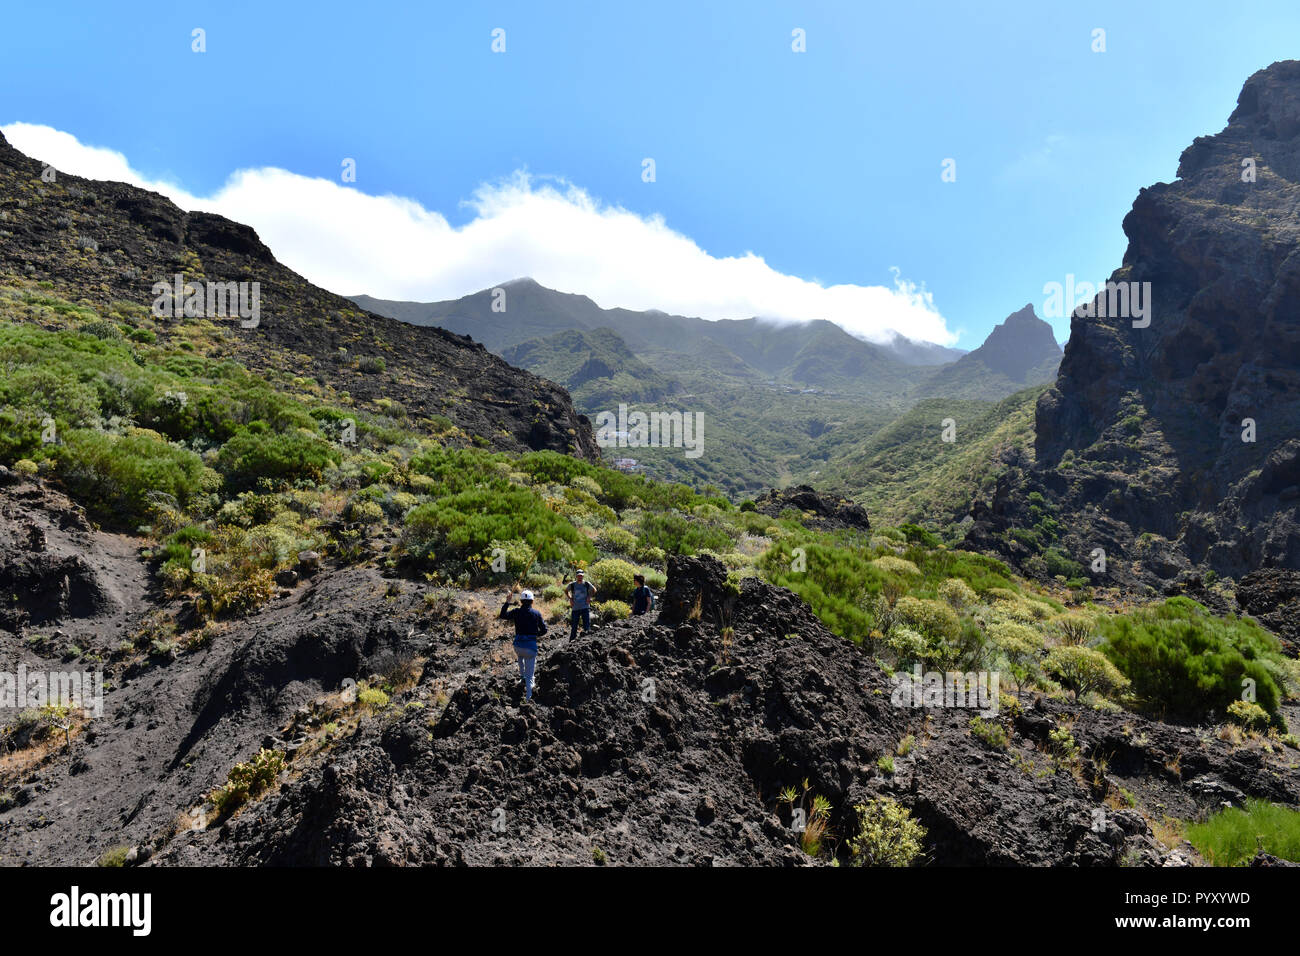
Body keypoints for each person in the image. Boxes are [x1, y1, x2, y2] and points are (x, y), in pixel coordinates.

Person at [499, 588, 547, 701]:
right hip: (530, 647)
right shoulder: (536, 613)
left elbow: (503, 615)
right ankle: (528, 698)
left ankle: (522, 678)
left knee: (521, 657)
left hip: (518, 646)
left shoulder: (516, 612)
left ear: (521, 601)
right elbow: (544, 630)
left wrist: (507, 602)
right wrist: (536, 635)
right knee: (531, 675)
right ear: (532, 601)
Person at [564, 569, 597, 639]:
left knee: (586, 626)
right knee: (574, 627)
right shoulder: (572, 585)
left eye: (581, 576)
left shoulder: (586, 584)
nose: (580, 577)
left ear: (583, 576)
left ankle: (587, 641)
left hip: (585, 607)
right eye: (578, 576)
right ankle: (571, 642)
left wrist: (589, 597)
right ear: (576, 576)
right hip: (575, 608)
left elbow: (594, 590)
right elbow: (566, 591)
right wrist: (570, 599)